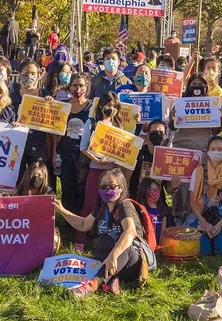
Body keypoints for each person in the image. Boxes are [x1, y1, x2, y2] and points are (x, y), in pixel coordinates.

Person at [54, 167, 153, 297]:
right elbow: (83, 224)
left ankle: (92, 285)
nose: (107, 189)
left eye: (112, 185)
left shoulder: (125, 206)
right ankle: (110, 281)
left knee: (123, 246)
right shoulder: (102, 207)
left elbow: (130, 231)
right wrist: (61, 210)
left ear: (121, 188)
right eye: (103, 185)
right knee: (102, 240)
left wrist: (114, 255)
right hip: (108, 261)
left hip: (130, 261)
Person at [76, 91, 123, 249]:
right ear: (101, 106)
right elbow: (83, 147)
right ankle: (80, 240)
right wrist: (97, 160)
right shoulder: (92, 122)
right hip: (95, 169)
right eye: (108, 105)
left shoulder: (118, 125)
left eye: (114, 106)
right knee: (90, 203)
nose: (111, 108)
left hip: (112, 173)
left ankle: (106, 237)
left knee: (111, 205)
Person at [185, 135, 222, 256]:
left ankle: (221, 236)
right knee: (202, 250)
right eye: (213, 149)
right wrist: (204, 223)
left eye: (219, 149)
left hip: (221, 216)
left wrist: (219, 225)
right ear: (208, 152)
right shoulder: (198, 171)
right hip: (201, 215)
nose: (216, 152)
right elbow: (193, 203)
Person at [57, 73, 93, 214]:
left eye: (81, 85)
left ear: (87, 87)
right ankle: (68, 218)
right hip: (66, 152)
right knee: (67, 187)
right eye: (75, 85)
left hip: (84, 153)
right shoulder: (64, 106)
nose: (78, 88)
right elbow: (55, 131)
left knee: (82, 187)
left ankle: (81, 217)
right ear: (70, 86)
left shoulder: (92, 107)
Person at [136, 178, 171, 247]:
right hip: (145, 246)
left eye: (157, 189)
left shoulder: (162, 209)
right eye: (152, 190)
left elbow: (163, 232)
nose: (155, 192)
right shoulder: (140, 209)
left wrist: (159, 248)